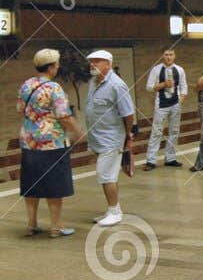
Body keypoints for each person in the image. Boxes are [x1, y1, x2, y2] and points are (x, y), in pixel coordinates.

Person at [16, 48, 83, 237]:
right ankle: (55, 226)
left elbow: (19, 109)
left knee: (31, 184)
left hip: (29, 141)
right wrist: (78, 131)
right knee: (55, 185)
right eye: (57, 64)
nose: (58, 67)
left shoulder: (26, 85)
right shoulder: (54, 88)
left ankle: (31, 224)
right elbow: (64, 116)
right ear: (52, 66)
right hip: (52, 142)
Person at [84, 49, 137, 226]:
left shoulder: (116, 85)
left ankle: (115, 211)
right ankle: (113, 209)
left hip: (112, 138)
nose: (93, 65)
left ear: (108, 64)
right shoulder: (94, 81)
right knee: (108, 175)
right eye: (91, 61)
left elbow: (128, 114)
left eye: (97, 61)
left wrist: (128, 135)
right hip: (98, 137)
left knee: (105, 174)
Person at [143, 48, 187, 169]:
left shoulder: (179, 69)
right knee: (156, 132)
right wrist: (163, 85)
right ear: (163, 56)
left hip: (175, 104)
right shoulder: (156, 69)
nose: (168, 57)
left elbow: (184, 86)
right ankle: (151, 161)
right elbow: (148, 87)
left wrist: (181, 100)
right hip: (161, 105)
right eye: (166, 55)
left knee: (174, 131)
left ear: (174, 56)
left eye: (171, 54)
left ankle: (170, 158)